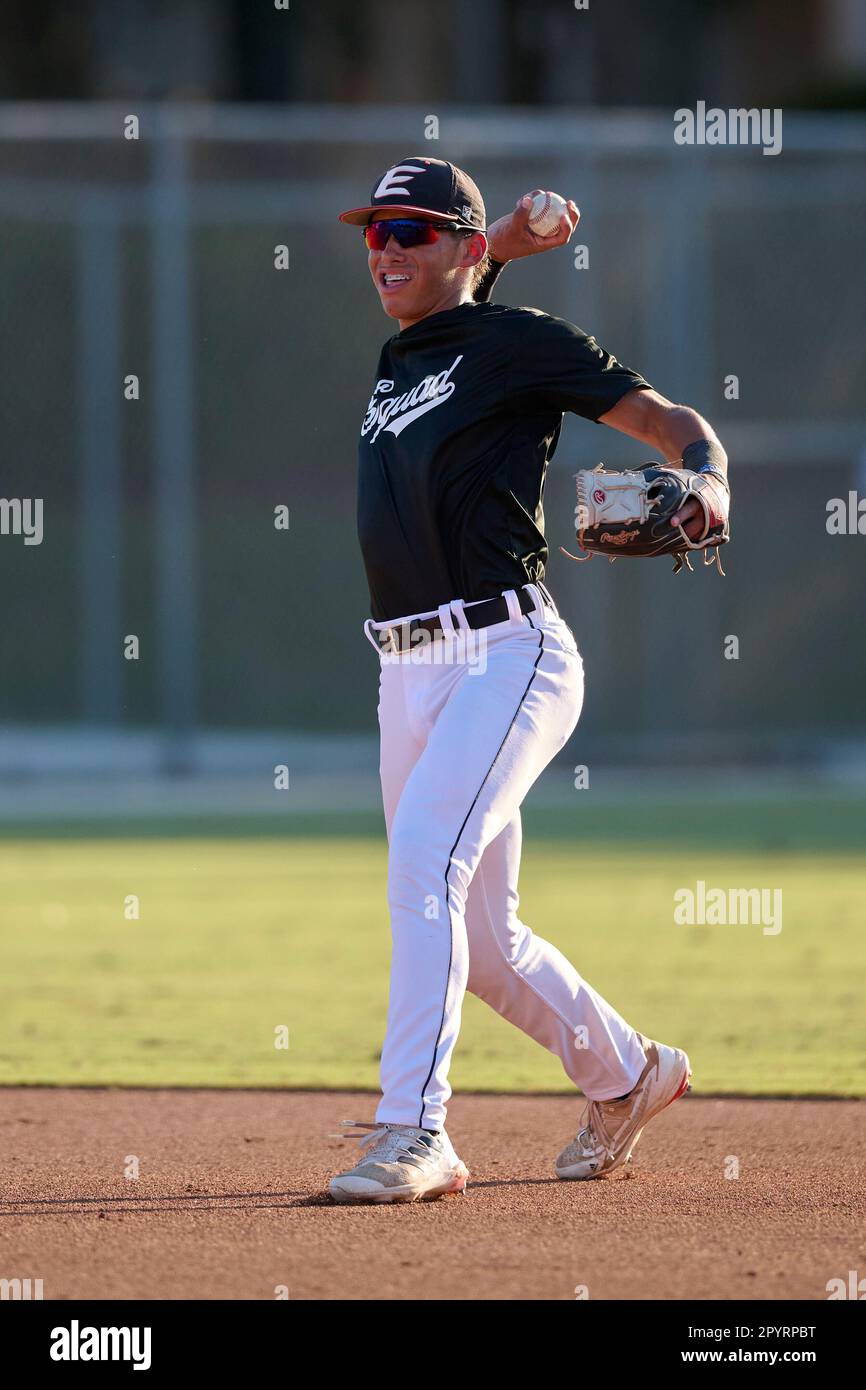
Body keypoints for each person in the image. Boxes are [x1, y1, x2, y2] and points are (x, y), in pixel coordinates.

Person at [329, 157, 729, 1204]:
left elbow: (668, 423)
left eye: (410, 232)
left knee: (422, 863)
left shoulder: (523, 344)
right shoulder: (402, 351)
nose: (385, 249)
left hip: (507, 655)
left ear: (453, 247)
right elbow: (454, 299)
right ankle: (629, 1071)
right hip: (403, 674)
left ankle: (416, 1132)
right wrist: (489, 235)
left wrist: (708, 476)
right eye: (376, 230)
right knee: (484, 944)